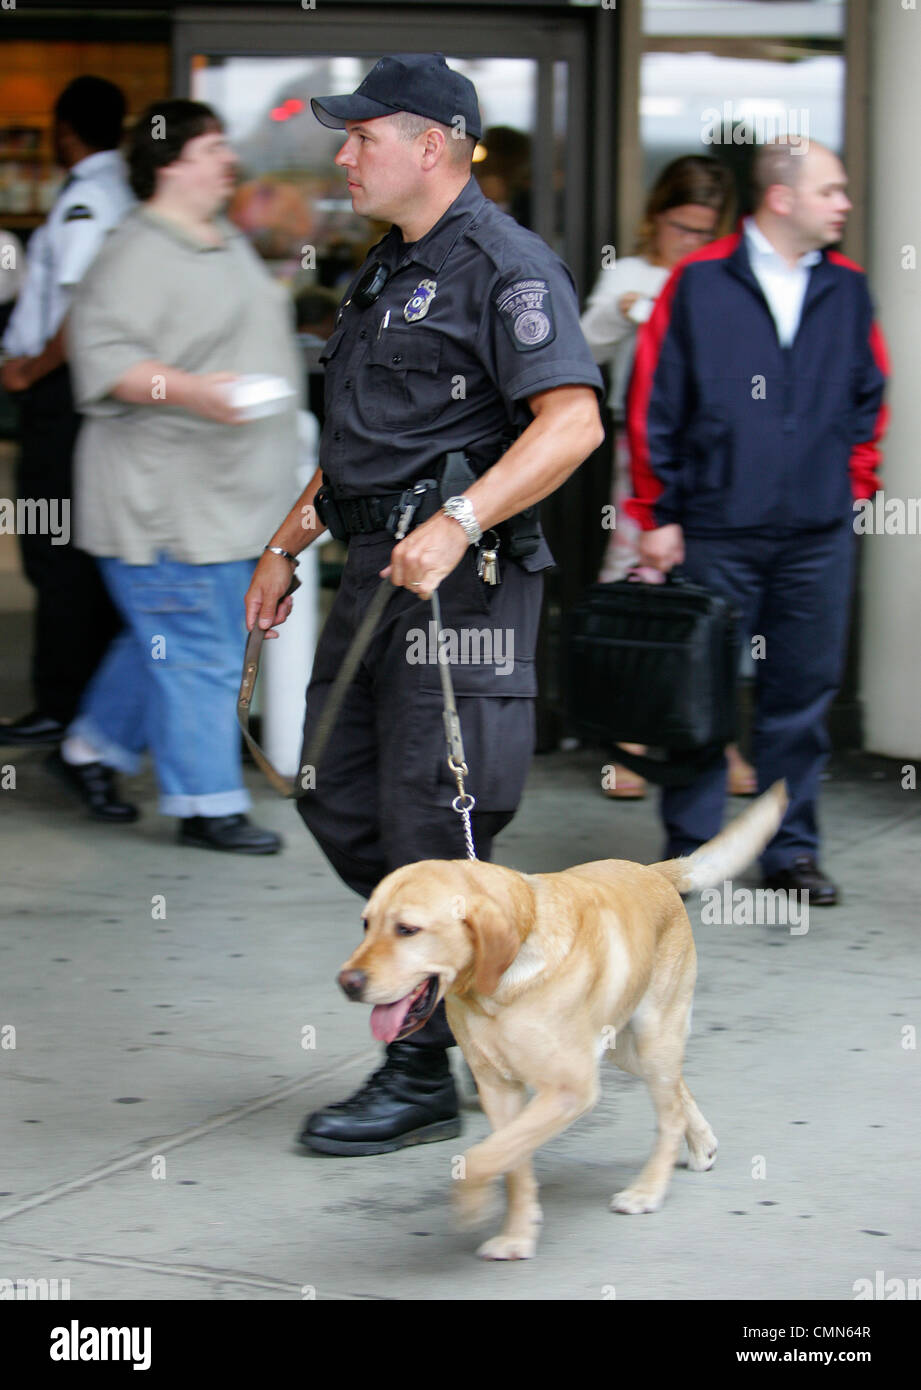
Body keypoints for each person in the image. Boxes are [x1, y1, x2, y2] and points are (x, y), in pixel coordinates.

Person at [244, 53, 604, 1154]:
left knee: (428, 816)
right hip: (376, 577)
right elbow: (368, 444)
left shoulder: (508, 267)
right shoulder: (387, 268)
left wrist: (460, 521)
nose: (344, 155)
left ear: (432, 145)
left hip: (464, 589)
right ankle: (483, 972)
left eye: (362, 137)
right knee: (329, 788)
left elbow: (571, 422)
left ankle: (418, 1070)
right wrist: (287, 537)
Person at [626, 139, 888, 904]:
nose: (842, 203)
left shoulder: (847, 288)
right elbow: (654, 404)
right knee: (698, 698)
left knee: (799, 702)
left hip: (815, 534)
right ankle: (691, 856)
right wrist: (657, 513)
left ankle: (789, 853)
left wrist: (855, 491)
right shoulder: (696, 283)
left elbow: (869, 395)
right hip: (712, 528)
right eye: (830, 191)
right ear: (781, 197)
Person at [59, 99, 300, 851]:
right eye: (213, 148)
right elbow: (102, 358)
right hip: (165, 504)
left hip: (221, 500)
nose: (228, 160)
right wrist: (194, 390)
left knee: (163, 636)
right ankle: (205, 805)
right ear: (170, 162)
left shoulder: (216, 236)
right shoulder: (135, 251)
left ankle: (91, 749)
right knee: (197, 647)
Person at [581, 155, 757, 800]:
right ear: (657, 218)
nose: (692, 242)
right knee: (636, 579)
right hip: (644, 448)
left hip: (721, 453)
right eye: (683, 227)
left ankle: (713, 735)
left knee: (713, 587)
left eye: (705, 232)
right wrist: (626, 307)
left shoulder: (729, 276)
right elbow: (582, 345)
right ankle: (626, 740)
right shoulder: (630, 272)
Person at [0, 77, 134, 748]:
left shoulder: (86, 198)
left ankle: (60, 703)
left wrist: (28, 368)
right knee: (80, 550)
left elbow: (84, 308)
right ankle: (87, 700)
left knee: (54, 551)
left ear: (64, 128)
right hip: (94, 399)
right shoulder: (119, 192)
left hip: (64, 397)